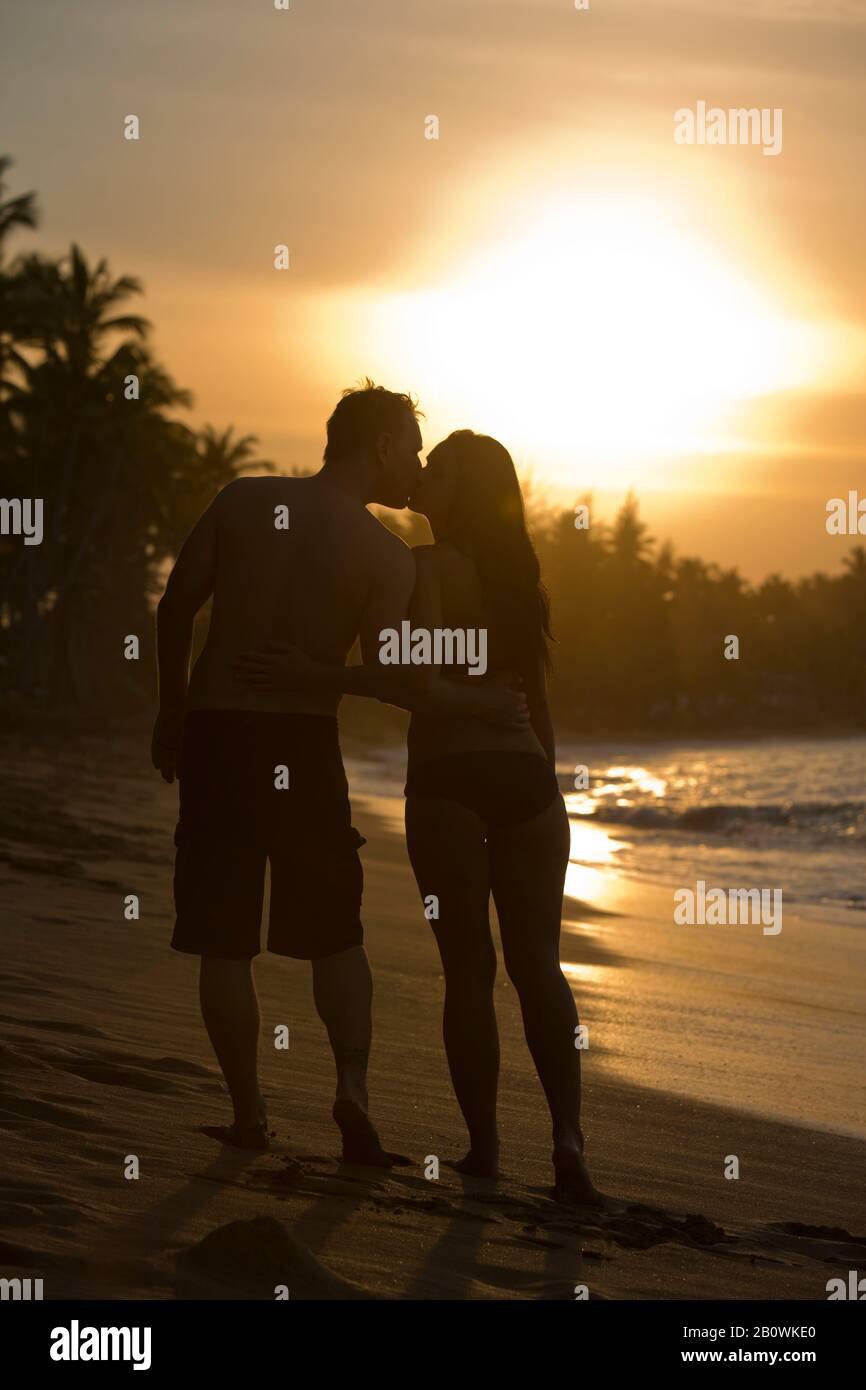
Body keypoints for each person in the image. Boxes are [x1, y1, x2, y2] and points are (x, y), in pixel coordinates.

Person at [151, 386, 527, 1159]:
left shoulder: (245, 500)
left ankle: (251, 1115)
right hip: (305, 746)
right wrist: (479, 696)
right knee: (334, 933)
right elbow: (393, 676)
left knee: (225, 936)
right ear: (384, 444)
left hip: (219, 732)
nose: (418, 466)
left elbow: (176, 605)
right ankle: (351, 1090)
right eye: (414, 449)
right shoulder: (383, 556)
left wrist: (172, 707)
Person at [236, 430, 601, 1204]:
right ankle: (568, 1141)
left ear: (464, 491)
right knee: (541, 967)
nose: (424, 471)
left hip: (450, 781)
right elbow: (538, 701)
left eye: (439, 467)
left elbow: (416, 681)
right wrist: (548, 782)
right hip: (530, 786)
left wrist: (317, 674)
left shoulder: (425, 568)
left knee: (469, 972)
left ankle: (487, 1148)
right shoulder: (520, 579)